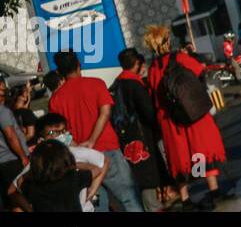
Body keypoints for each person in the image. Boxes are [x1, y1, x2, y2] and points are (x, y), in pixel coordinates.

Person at [143, 25, 229, 211]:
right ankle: (214, 191)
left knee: (180, 158)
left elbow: (152, 95)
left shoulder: (152, 70)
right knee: (203, 151)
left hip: (168, 119)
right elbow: (199, 70)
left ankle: (186, 200)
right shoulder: (180, 58)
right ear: (167, 42)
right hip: (192, 112)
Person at [48, 51, 143, 212]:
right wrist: (92, 139)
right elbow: (105, 112)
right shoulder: (96, 83)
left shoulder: (55, 100)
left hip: (82, 157)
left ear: (59, 72)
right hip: (107, 149)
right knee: (129, 198)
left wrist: (79, 147)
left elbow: (59, 133)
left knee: (97, 205)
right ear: (79, 65)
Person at [7, 113, 107, 212]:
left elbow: (104, 161)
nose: (61, 135)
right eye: (53, 133)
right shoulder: (73, 177)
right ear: (41, 140)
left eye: (63, 131)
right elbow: (98, 167)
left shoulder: (77, 152)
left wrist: (92, 190)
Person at [111, 49, 170, 212]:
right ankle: (155, 208)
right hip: (141, 136)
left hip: (125, 139)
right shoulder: (134, 84)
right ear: (137, 63)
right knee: (148, 175)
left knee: (139, 175)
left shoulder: (116, 84)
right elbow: (149, 113)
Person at [13, 139, 106, 213]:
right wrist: (74, 165)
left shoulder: (33, 186)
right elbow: (96, 169)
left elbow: (19, 181)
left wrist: (34, 169)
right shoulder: (72, 177)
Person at [0, 81, 30, 210]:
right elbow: (11, 136)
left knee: (13, 201)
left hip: (4, 162)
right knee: (21, 197)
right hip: (13, 160)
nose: (5, 91)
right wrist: (23, 157)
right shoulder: (2, 111)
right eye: (1, 89)